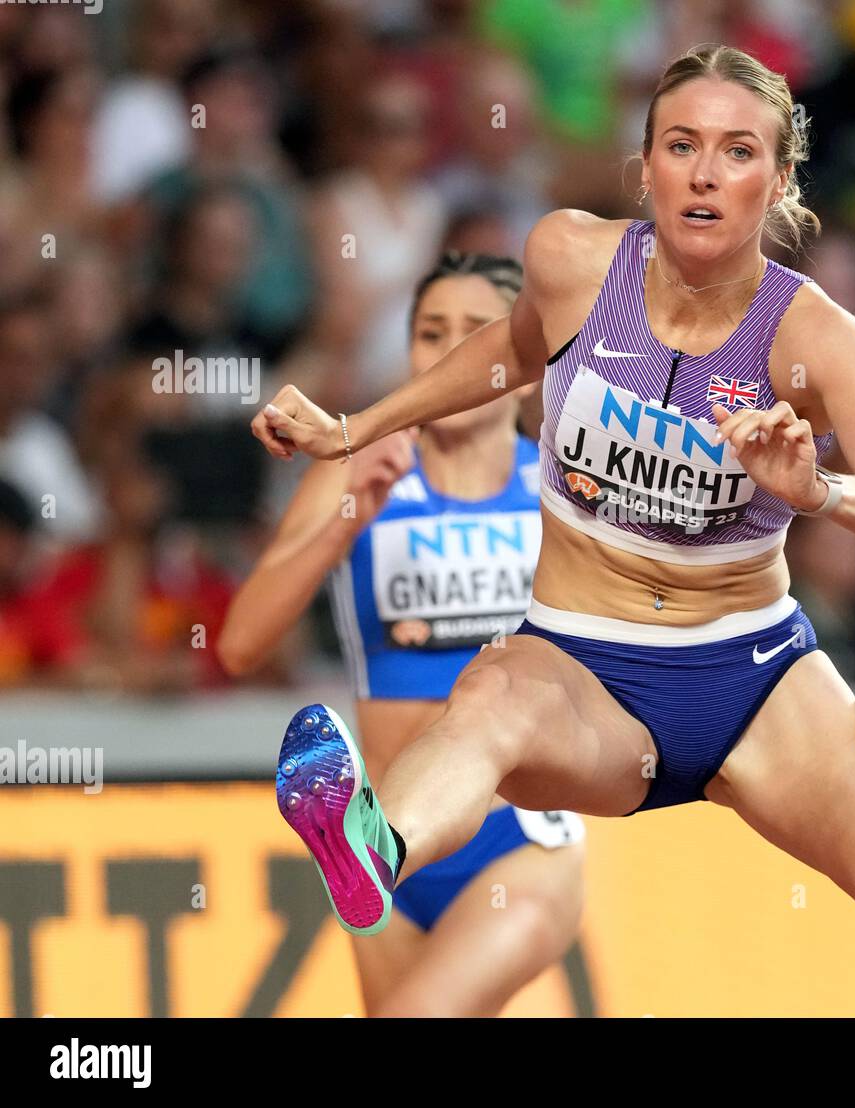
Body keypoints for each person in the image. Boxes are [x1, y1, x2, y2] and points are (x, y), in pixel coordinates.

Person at [251, 45, 855, 1012]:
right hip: (583, 665)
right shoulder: (571, 259)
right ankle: (368, 844)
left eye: (737, 152)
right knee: (493, 698)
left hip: (757, 682)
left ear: (778, 181)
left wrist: (815, 490)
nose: (702, 171)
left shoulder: (817, 340)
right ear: (644, 166)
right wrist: (357, 428)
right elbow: (512, 353)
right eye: (681, 145)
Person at [220, 253, 584, 1017]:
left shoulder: (560, 488)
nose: (450, 350)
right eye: (430, 333)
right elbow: (239, 644)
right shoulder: (358, 467)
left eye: (475, 331)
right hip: (379, 849)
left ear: (515, 358)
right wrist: (348, 511)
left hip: (518, 840)